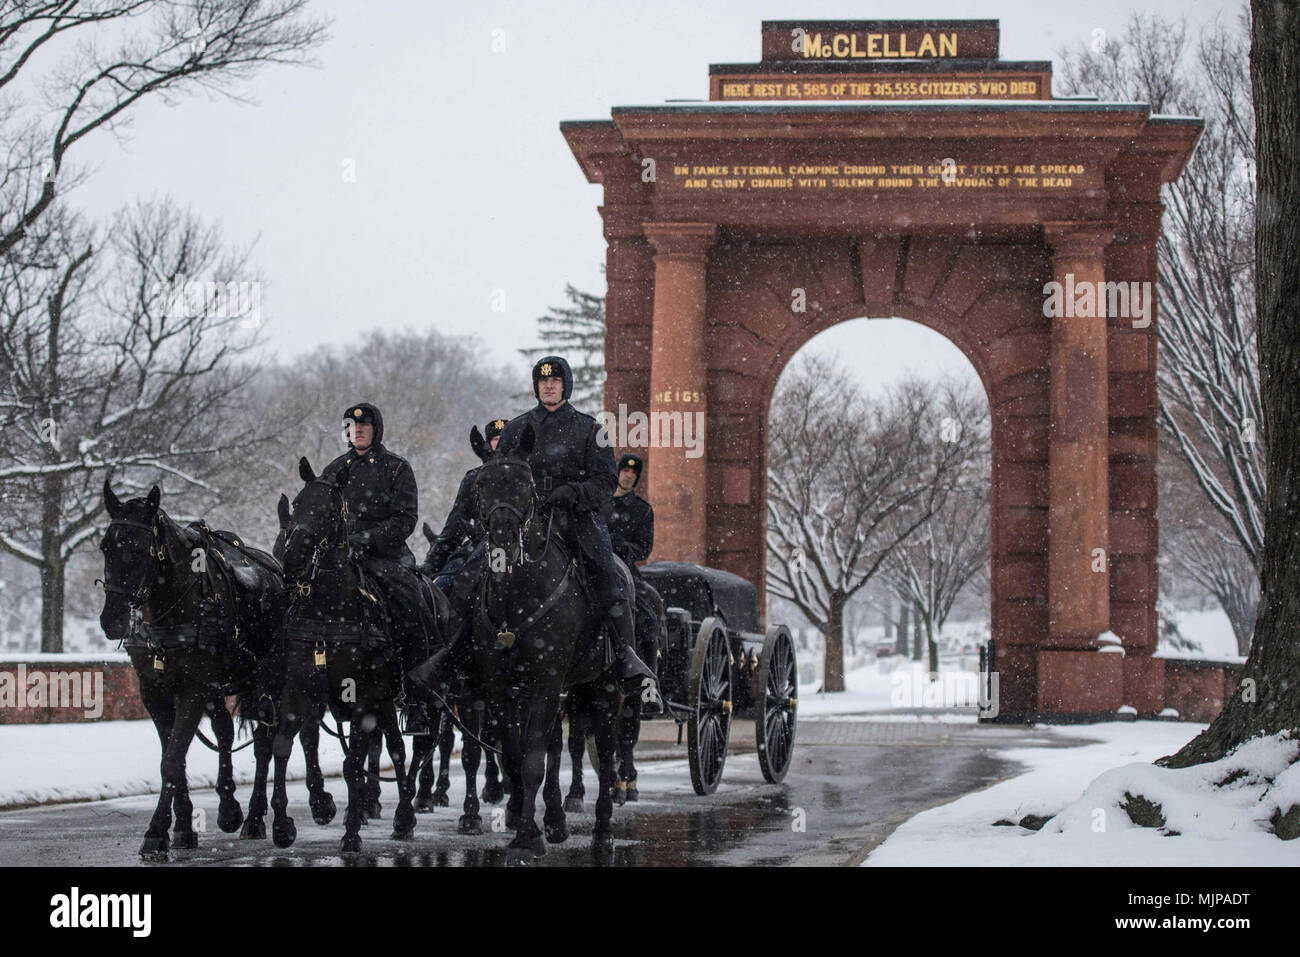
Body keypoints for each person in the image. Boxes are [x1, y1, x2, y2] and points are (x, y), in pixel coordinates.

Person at [410, 356, 657, 698]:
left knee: (608, 573)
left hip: (576, 518)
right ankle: (453, 656)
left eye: (555, 381)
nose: (549, 386)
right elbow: (501, 471)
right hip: (524, 520)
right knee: (471, 572)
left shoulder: (590, 429)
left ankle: (625, 655)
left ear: (565, 385)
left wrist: (573, 491)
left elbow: (605, 481)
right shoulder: (516, 428)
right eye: (543, 382)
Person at [321, 403, 437, 733]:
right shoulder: (333, 470)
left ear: (376, 429)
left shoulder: (396, 469)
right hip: (340, 558)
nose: (357, 431)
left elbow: (405, 519)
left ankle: (416, 700)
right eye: (351, 426)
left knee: (412, 606)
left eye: (364, 426)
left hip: (387, 558)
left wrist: (366, 540)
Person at [420, 418, 505, 589]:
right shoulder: (473, 479)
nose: (501, 444)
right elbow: (454, 528)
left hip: (518, 548)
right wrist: (432, 564)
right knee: (442, 587)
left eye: (506, 438)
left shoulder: (526, 476)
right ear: (488, 444)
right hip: (478, 548)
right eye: (496, 439)